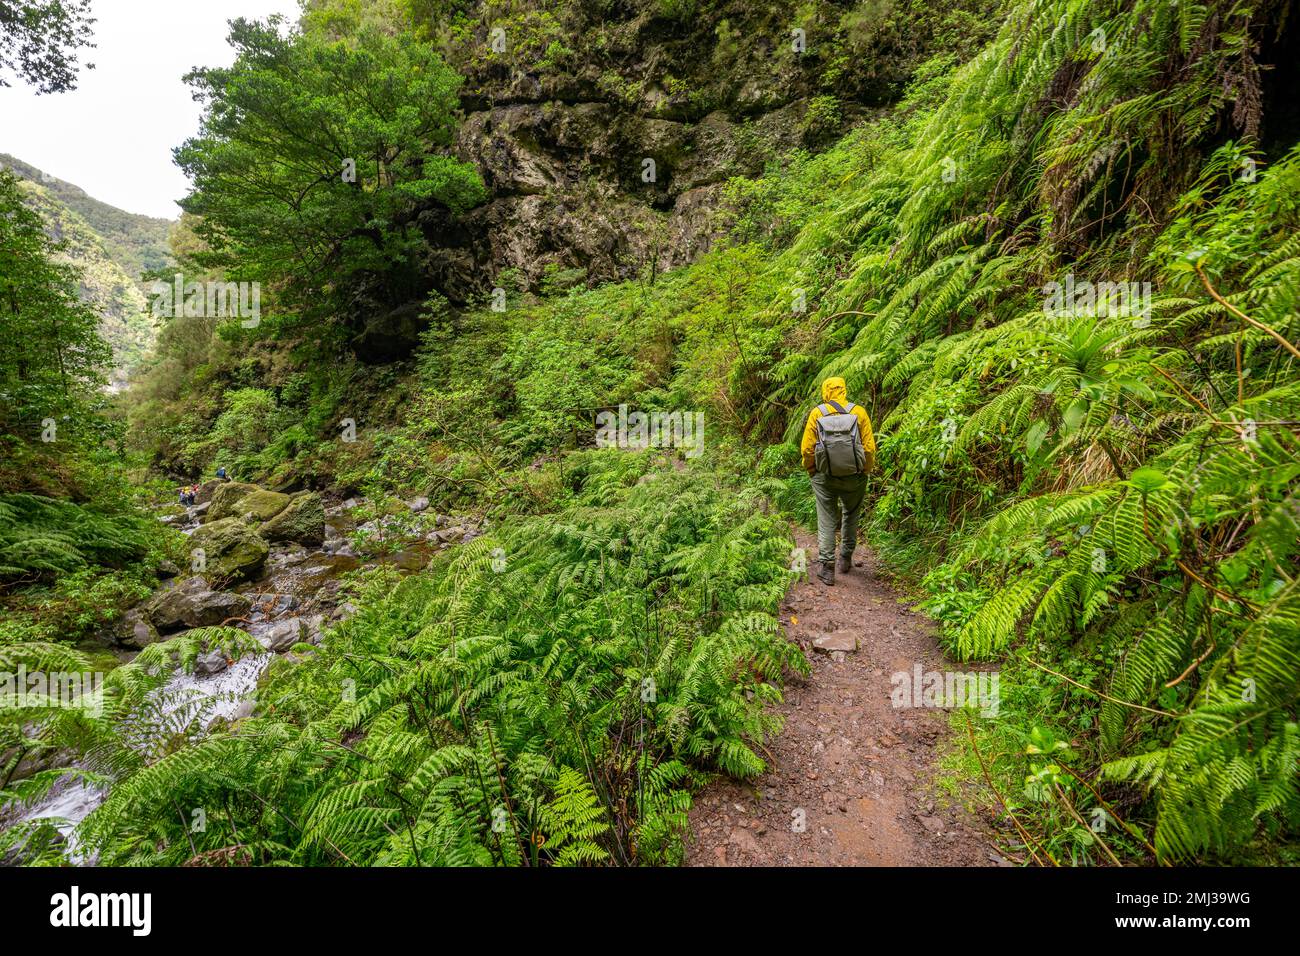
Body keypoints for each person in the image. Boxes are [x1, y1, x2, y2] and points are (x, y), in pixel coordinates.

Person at [799, 376, 876, 586]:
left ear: (826, 391)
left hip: (825, 476)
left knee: (826, 517)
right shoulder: (858, 412)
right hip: (854, 477)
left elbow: (807, 449)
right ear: (844, 389)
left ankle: (827, 567)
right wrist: (864, 471)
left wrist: (812, 470)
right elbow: (868, 448)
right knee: (851, 513)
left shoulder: (818, 413)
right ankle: (845, 558)